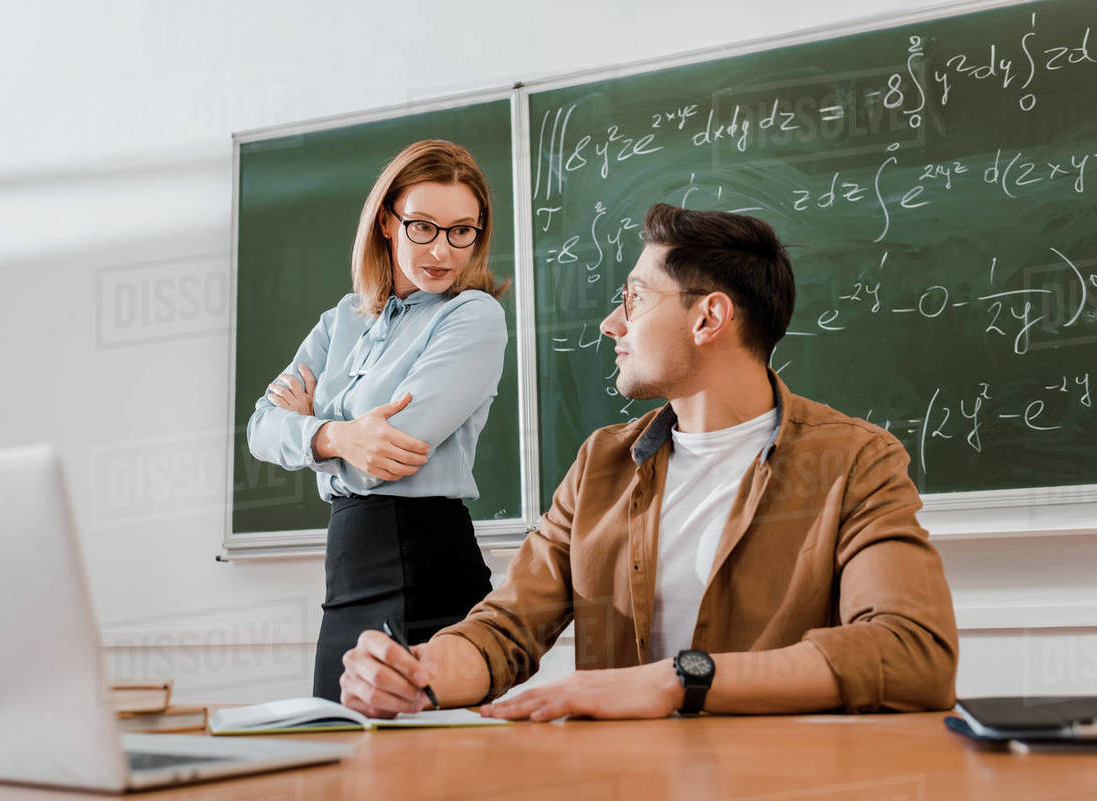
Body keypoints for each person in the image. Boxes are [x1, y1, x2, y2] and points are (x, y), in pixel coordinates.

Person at [337, 203, 959, 719]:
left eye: (634, 298)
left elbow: (912, 654)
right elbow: (506, 631)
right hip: (624, 780)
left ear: (708, 317)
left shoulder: (855, 462)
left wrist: (680, 680)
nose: (611, 324)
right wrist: (420, 674)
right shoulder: (601, 463)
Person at [246, 140, 508, 700]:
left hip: (425, 559)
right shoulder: (342, 318)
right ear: (388, 222)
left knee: (429, 775)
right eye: (422, 227)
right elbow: (259, 429)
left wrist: (315, 437)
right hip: (347, 562)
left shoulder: (473, 316)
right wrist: (337, 435)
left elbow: (387, 459)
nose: (442, 250)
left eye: (462, 230)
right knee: (334, 758)